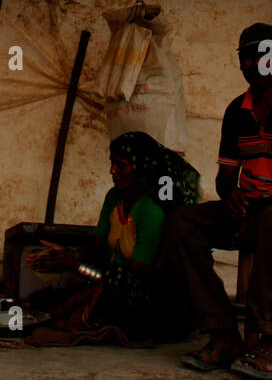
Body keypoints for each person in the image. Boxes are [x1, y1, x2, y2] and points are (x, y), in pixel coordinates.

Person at [165, 22, 272, 380]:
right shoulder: (236, 112)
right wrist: (233, 195)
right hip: (255, 212)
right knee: (182, 222)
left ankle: (268, 343)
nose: (253, 63)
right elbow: (225, 177)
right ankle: (222, 332)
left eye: (262, 55)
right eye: (246, 56)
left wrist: (265, 211)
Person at [26, 131, 199, 344]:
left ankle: (88, 326)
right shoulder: (114, 197)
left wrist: (76, 266)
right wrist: (67, 254)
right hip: (113, 286)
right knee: (40, 302)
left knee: (102, 309)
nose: (112, 170)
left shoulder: (153, 210)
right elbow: (97, 249)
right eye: (112, 163)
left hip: (149, 298)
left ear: (142, 168)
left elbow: (134, 279)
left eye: (121, 165)